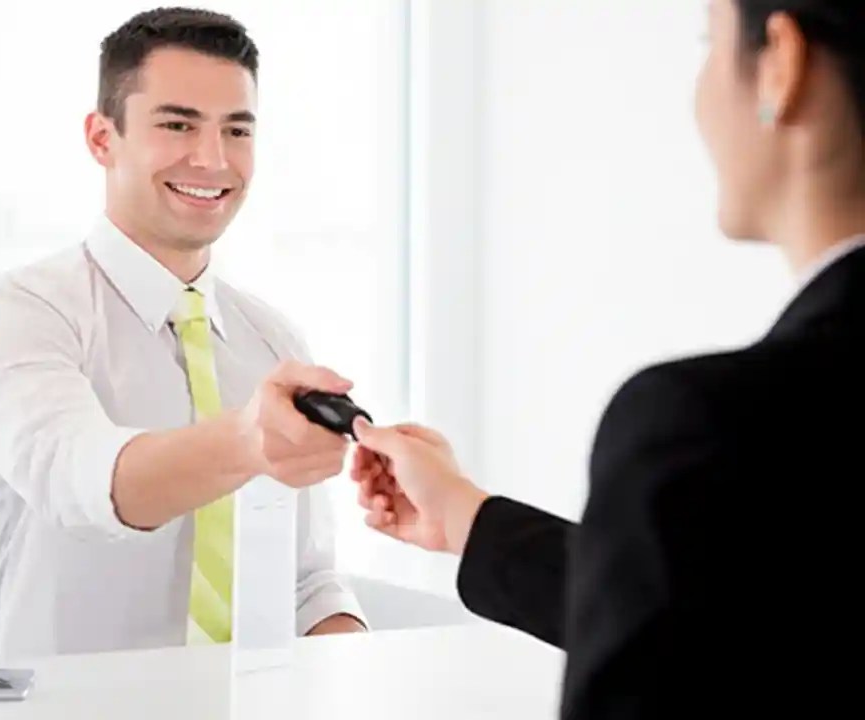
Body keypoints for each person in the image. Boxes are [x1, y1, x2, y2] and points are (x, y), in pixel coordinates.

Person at [350, 0, 863, 717]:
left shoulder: (703, 422)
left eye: (706, 45)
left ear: (782, 61)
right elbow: (732, 612)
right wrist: (471, 520)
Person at [0, 7, 365, 661]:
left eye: (237, 130)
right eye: (178, 125)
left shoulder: (273, 339)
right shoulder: (18, 313)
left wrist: (365, 678)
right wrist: (251, 440)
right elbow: (86, 485)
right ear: (101, 138)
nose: (213, 158)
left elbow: (306, 582)